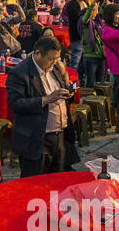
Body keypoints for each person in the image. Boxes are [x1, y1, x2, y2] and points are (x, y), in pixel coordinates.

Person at [4, 37, 73, 177]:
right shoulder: (19, 73)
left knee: (56, 182)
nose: (54, 62)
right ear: (37, 54)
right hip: (36, 140)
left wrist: (66, 92)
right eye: (51, 59)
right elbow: (15, 104)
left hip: (59, 137)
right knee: (34, 185)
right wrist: (45, 100)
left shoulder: (54, 68)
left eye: (57, 59)